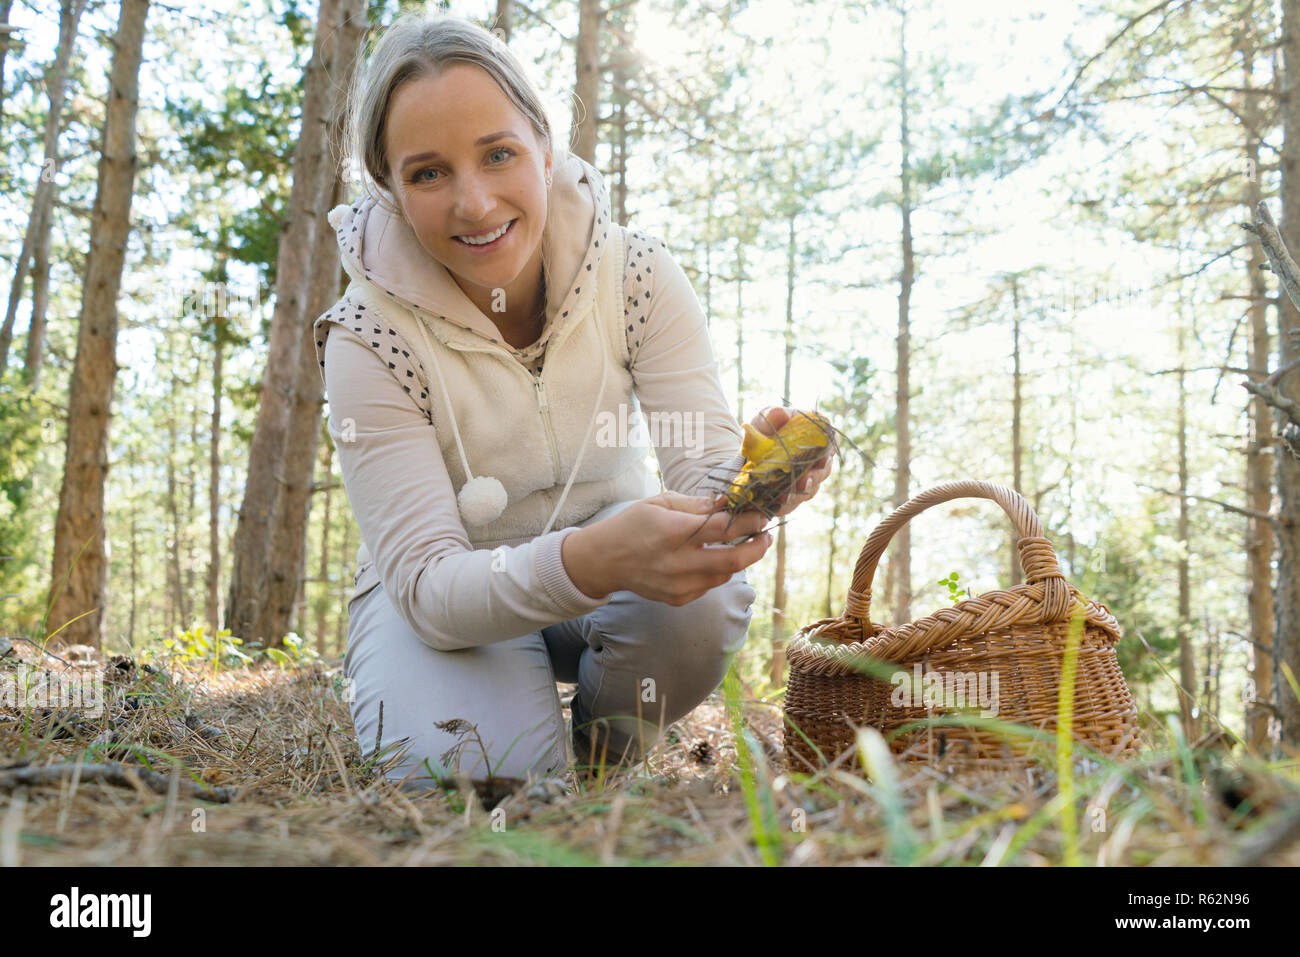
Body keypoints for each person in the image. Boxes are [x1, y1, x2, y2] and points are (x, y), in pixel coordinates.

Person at [312, 11, 832, 791]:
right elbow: (426, 583)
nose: (476, 203)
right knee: (474, 778)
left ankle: (600, 768)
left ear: (546, 147)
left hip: (609, 559)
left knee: (704, 604)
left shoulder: (639, 276)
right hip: (446, 597)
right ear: (388, 188)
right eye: (428, 173)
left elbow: (701, 478)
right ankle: (514, 742)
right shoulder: (365, 334)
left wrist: (749, 486)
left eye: (499, 154)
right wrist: (584, 561)